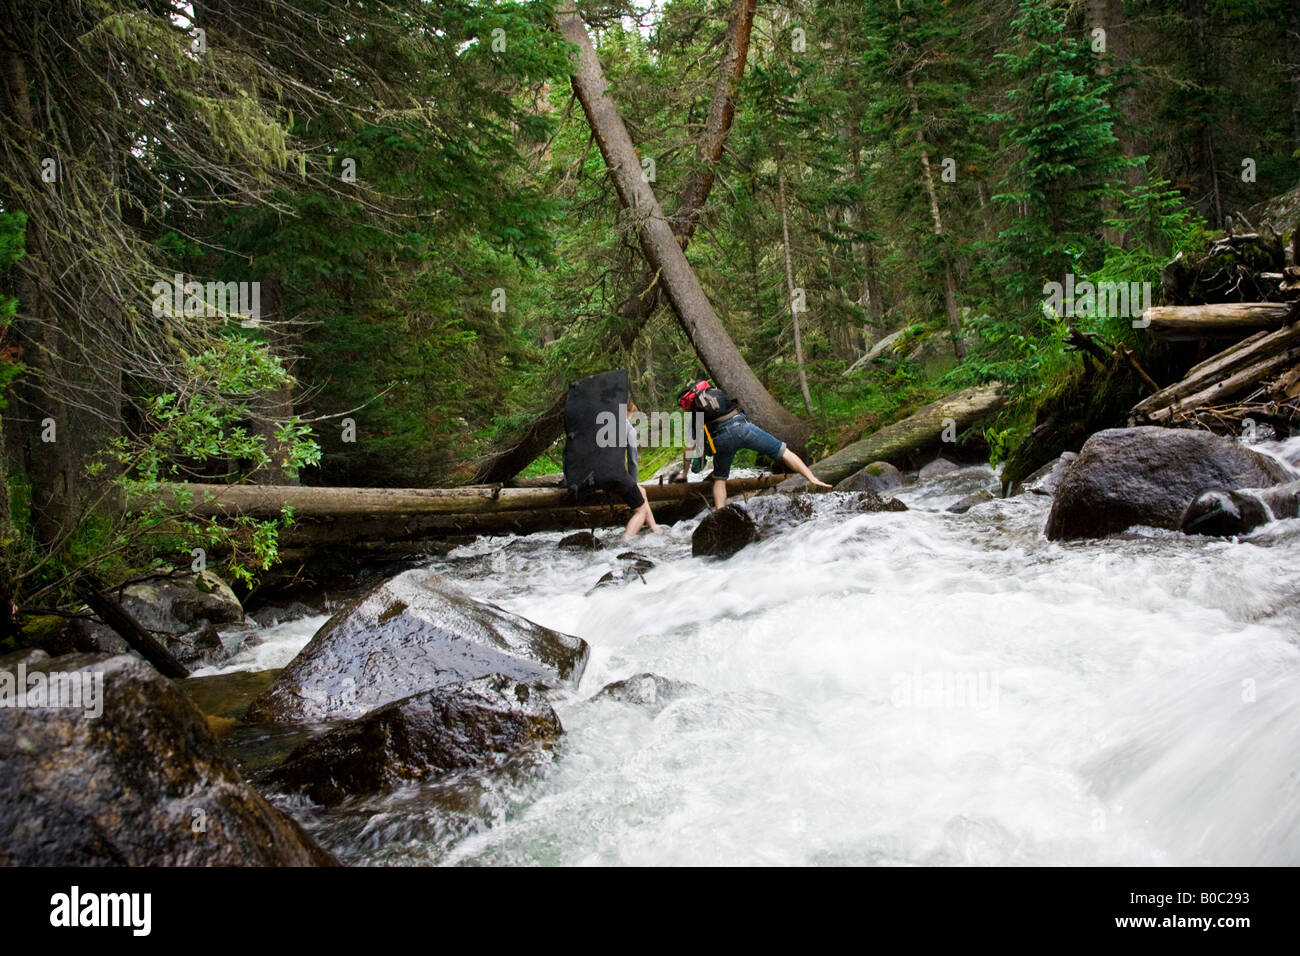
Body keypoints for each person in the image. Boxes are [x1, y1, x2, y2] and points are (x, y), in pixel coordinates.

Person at [678, 380, 831, 509]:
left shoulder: (695, 413)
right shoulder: (717, 393)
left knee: (720, 479)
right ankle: (813, 478)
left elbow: (689, 447)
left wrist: (684, 474)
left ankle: (721, 514)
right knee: (784, 451)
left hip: (722, 440)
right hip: (744, 428)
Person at [613, 400, 661, 541]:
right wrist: (633, 483)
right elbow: (632, 461)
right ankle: (626, 539)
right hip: (615, 476)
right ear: (630, 412)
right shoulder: (628, 428)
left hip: (597, 475)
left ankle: (654, 527)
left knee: (642, 492)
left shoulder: (606, 425)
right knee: (640, 509)